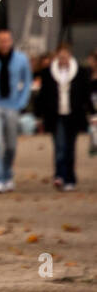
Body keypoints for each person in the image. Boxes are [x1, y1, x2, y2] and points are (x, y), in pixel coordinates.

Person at [35, 42, 93, 191]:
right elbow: (43, 95)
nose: (63, 60)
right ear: (57, 57)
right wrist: (39, 115)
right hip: (56, 115)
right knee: (60, 146)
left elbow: (86, 94)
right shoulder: (48, 73)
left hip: (74, 115)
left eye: (65, 57)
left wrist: (92, 113)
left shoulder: (80, 72)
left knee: (70, 148)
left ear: (70, 56)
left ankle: (70, 177)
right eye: (60, 57)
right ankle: (59, 175)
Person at [0, 27, 32, 193]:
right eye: (1, 41)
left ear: (11, 41)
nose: (4, 44)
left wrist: (21, 101)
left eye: (7, 40)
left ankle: (7, 174)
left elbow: (27, 81)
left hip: (12, 105)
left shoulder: (21, 60)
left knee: (11, 145)